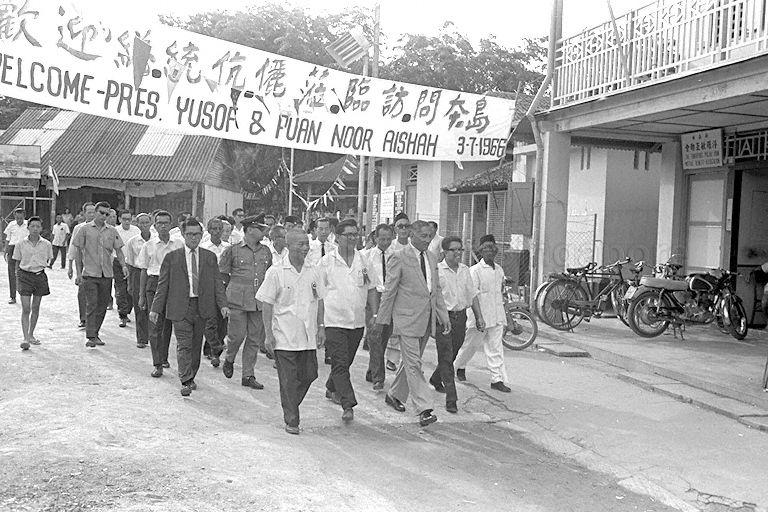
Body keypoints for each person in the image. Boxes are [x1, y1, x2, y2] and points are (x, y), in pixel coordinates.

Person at [371, 220, 450, 427]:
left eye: (430, 236)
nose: (427, 240)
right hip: (406, 320)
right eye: (423, 236)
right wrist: (381, 320)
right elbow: (390, 291)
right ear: (412, 235)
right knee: (415, 363)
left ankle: (395, 394)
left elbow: (436, 290)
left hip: (426, 320)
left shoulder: (432, 257)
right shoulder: (399, 257)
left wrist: (443, 316)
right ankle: (424, 409)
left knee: (410, 363)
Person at [256, 229, 326, 435]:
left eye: (307, 244)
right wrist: (268, 335)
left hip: (308, 336)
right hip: (284, 336)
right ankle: (292, 419)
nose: (305, 248)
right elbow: (266, 304)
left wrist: (321, 327)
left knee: (310, 374)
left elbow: (320, 300)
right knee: (287, 379)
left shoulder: (313, 271)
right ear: (289, 245)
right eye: (300, 244)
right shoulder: (276, 272)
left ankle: (290, 401)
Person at [150, 218, 229, 396]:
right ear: (183, 235)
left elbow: (217, 283)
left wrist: (223, 305)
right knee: (184, 344)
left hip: (201, 306)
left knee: (195, 345)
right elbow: (163, 285)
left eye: (197, 234)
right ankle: (185, 380)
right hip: (180, 307)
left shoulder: (209, 257)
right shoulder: (172, 257)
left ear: (202, 236)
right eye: (189, 234)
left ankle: (191, 374)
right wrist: (155, 308)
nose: (193, 238)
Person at [319, 219, 376, 422]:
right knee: (341, 363)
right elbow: (318, 293)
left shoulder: (364, 260)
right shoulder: (327, 261)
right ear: (338, 236)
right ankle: (348, 404)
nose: (352, 238)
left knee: (346, 361)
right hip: (334, 321)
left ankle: (331, 386)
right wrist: (320, 325)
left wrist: (374, 315)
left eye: (355, 234)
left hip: (357, 322)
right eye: (348, 235)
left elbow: (371, 289)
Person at [430, 236, 485, 413]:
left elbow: (473, 295)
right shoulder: (437, 271)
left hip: (460, 318)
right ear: (444, 252)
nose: (457, 253)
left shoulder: (464, 270)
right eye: (453, 250)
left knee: (453, 353)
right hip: (443, 319)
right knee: (446, 356)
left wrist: (479, 317)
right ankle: (451, 398)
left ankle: (436, 379)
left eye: (459, 249)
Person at [219, 216, 272, 389]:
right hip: (237, 300)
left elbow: (269, 275)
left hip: (258, 301)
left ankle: (248, 375)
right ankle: (229, 358)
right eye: (260, 228)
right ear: (249, 230)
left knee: (254, 339)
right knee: (236, 336)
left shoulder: (266, 251)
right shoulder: (232, 251)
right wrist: (223, 302)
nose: (264, 231)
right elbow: (223, 276)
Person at [454, 234, 512, 393]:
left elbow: (502, 294)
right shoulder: (475, 271)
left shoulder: (499, 270)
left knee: (496, 348)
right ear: (480, 251)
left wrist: (508, 318)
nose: (489, 251)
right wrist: (479, 317)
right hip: (479, 316)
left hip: (497, 315)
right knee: (469, 346)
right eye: (486, 248)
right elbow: (473, 295)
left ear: (496, 251)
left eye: (492, 248)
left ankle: (497, 379)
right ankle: (456, 367)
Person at [71, 201, 127, 348]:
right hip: (89, 273)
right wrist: (78, 273)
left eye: (107, 214)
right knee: (92, 304)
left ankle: (95, 333)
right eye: (101, 213)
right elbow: (78, 252)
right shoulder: (84, 229)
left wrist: (124, 266)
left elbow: (119, 251)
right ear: (95, 212)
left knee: (102, 305)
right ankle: (91, 336)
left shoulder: (112, 231)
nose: (104, 216)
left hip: (106, 274)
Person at [138, 210, 184, 376]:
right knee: (155, 324)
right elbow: (143, 270)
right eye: (159, 223)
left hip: (174, 286)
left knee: (168, 325)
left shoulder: (179, 244)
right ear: (154, 225)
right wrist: (142, 296)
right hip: (154, 284)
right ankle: (157, 363)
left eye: (166, 223)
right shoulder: (148, 245)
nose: (163, 226)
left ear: (171, 225)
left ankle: (164, 357)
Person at [13, 216, 52, 350]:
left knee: (35, 307)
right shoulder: (20, 244)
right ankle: (25, 338)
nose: (35, 229)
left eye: (38, 226)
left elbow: (49, 259)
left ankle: (31, 334)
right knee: (26, 308)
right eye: (32, 226)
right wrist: (18, 276)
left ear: (41, 228)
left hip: (39, 276)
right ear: (28, 228)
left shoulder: (46, 244)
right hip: (24, 276)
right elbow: (17, 261)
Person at [365, 224, 396, 390]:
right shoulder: (367, 256)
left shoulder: (396, 255)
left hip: (390, 298)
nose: (385, 242)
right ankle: (379, 377)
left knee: (383, 338)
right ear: (375, 238)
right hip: (373, 298)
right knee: (374, 336)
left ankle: (372, 370)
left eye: (388, 239)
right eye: (382, 239)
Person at [200, 217, 231, 365]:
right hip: (208, 285)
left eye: (220, 229)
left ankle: (213, 349)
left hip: (225, 285)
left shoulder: (229, 248)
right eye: (214, 229)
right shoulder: (204, 247)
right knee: (210, 320)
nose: (217, 232)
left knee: (223, 320)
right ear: (209, 230)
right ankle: (214, 350)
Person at [125, 213, 153, 349]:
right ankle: (142, 338)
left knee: (153, 305)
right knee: (140, 305)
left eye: (147, 222)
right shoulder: (133, 241)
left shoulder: (156, 240)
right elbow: (130, 263)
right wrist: (130, 283)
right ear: (137, 224)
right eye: (141, 223)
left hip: (153, 274)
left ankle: (153, 336)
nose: (144, 225)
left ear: (151, 223)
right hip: (137, 273)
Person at [67, 202, 96, 328]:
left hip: (98, 265)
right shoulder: (78, 228)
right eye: (89, 212)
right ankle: (83, 318)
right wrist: (70, 266)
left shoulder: (102, 228)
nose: (92, 214)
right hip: (84, 264)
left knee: (96, 294)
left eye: (94, 212)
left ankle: (93, 320)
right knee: (82, 291)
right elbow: (73, 247)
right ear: (84, 213)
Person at [115, 209, 140, 327]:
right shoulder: (115, 231)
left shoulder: (136, 231)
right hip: (118, 262)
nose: (127, 221)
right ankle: (123, 315)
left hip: (133, 263)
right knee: (121, 289)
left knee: (132, 290)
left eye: (129, 219)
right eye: (124, 219)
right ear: (119, 219)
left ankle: (128, 310)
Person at [3, 207, 28, 304]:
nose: (19, 220)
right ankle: (12, 296)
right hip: (12, 248)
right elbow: (8, 238)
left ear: (24, 216)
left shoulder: (28, 224)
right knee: (11, 272)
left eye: (21, 218)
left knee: (24, 272)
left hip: (24, 249)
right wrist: (5, 251)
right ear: (14, 217)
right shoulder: (11, 225)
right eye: (17, 218)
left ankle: (24, 295)